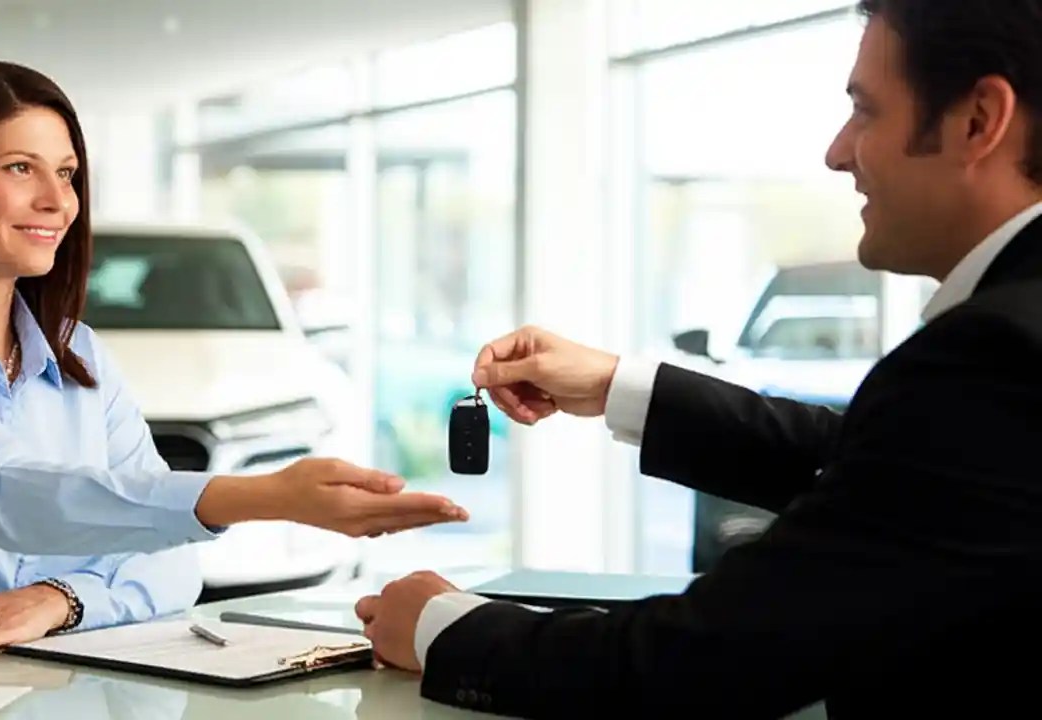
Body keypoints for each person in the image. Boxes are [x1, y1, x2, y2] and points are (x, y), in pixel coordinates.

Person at [356, 1, 1042, 717]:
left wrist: (443, 628)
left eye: (866, 112)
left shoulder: (993, 355)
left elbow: (715, 657)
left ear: (977, 120)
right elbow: (877, 468)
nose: (838, 152)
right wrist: (619, 387)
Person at [0, 58, 468, 665]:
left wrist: (58, 600)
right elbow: (1, 491)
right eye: (20, 168)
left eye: (66, 174)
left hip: (46, 685)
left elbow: (174, 566)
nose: (58, 201)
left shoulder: (76, 352)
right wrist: (268, 496)